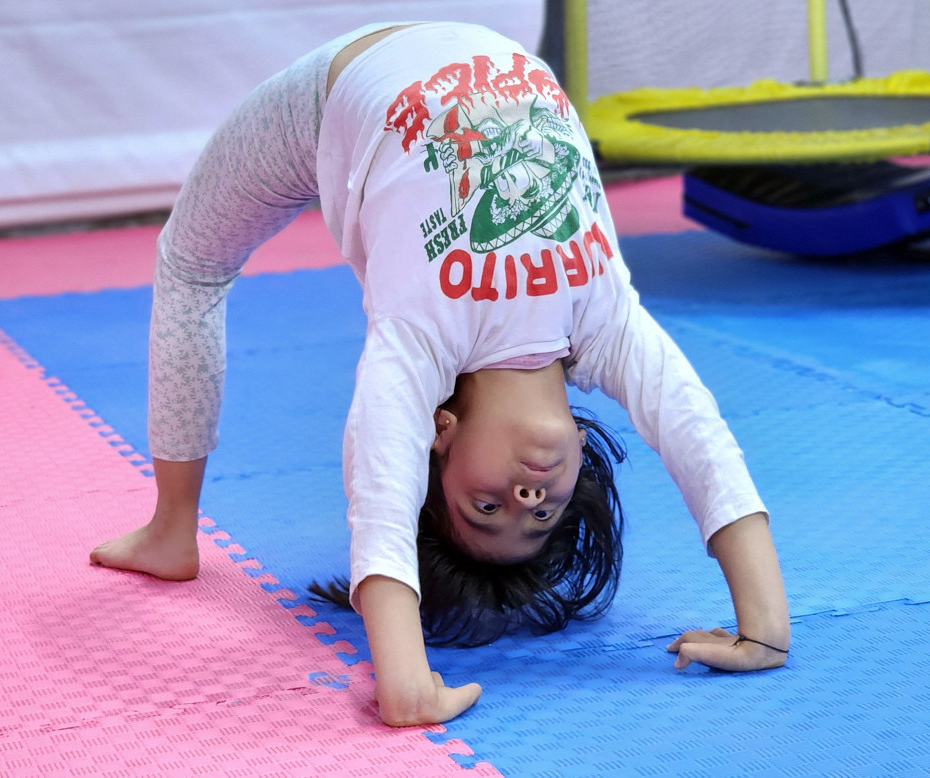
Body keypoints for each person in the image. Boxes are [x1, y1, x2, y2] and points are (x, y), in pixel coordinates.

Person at [90, 21, 790, 727]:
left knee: (190, 262)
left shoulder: (418, 346)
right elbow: (700, 441)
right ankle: (174, 529)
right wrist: (764, 628)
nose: (527, 495)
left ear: (440, 432)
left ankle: (171, 529)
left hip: (328, 104)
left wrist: (404, 683)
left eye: (487, 507)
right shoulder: (603, 326)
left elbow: (382, 499)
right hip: (490, 50)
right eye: (543, 514)